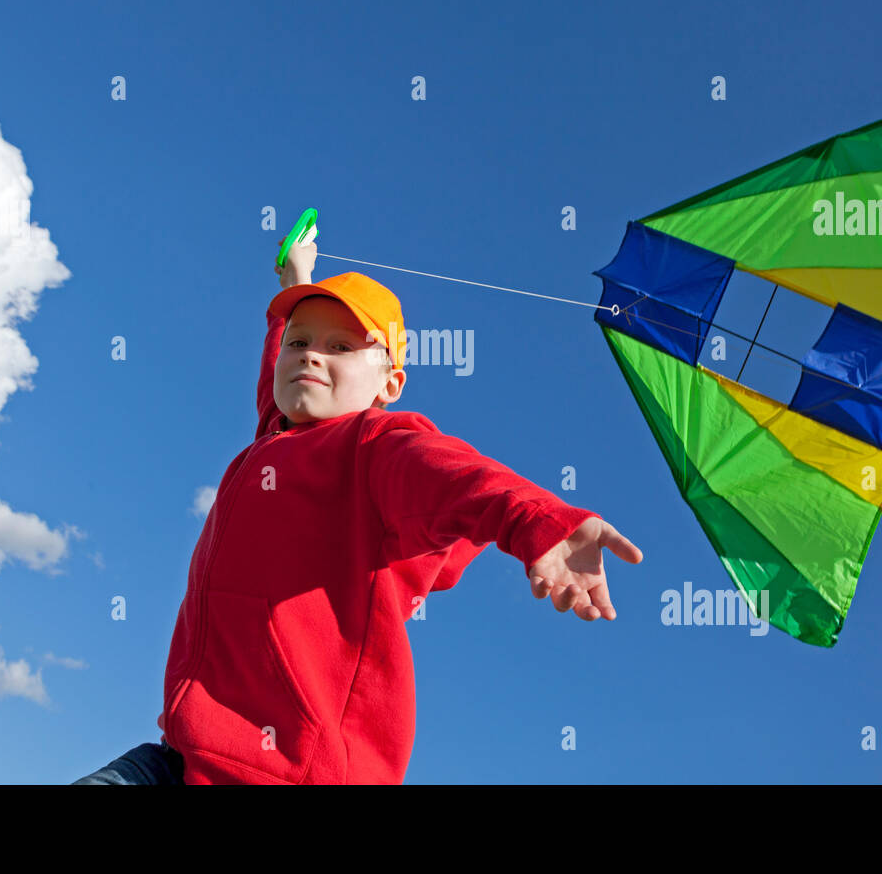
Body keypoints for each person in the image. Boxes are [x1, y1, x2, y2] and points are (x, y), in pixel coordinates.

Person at [71, 234, 642, 784]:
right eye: (300, 343)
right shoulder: (278, 436)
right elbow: (281, 374)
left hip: (287, 773)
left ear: (389, 384)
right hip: (180, 756)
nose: (310, 357)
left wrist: (537, 520)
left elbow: (451, 473)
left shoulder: (376, 446)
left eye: (341, 347)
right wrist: (296, 279)